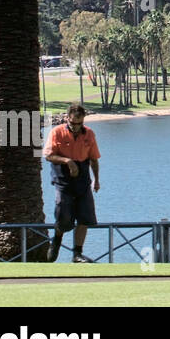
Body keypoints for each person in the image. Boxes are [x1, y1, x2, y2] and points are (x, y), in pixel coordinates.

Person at [43, 104, 101, 263]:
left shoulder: (89, 134)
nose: (76, 127)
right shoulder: (57, 132)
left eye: (79, 123)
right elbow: (48, 155)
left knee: (85, 216)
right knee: (63, 215)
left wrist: (96, 179)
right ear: (67, 118)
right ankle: (57, 240)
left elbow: (94, 159)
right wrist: (67, 161)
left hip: (83, 179)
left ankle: (77, 254)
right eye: (73, 123)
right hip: (62, 179)